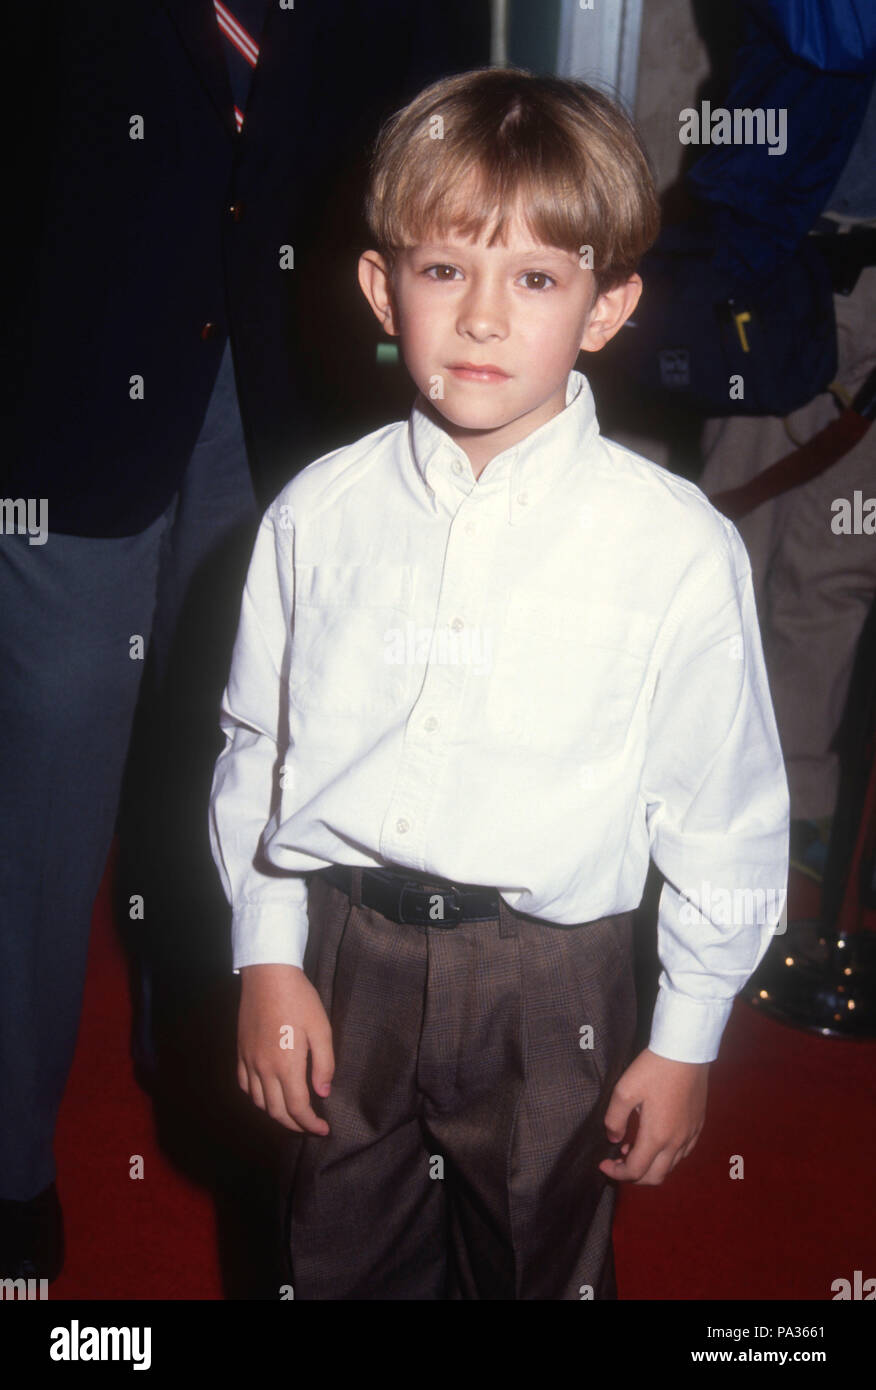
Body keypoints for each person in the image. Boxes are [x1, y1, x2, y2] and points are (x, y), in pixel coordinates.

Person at [208, 67, 790, 1300]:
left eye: (534, 278)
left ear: (606, 305)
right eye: (442, 270)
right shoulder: (319, 515)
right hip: (350, 948)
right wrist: (268, 953)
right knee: (332, 1253)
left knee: (543, 1261)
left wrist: (687, 1033)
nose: (481, 318)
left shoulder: (674, 546)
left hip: (555, 984)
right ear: (382, 287)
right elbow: (258, 745)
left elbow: (723, 809)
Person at [0, 0, 490, 1283]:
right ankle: (7, 1165)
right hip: (59, 400)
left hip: (291, 405)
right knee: (37, 799)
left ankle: (219, 1069)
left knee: (244, 760)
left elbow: (434, 151)